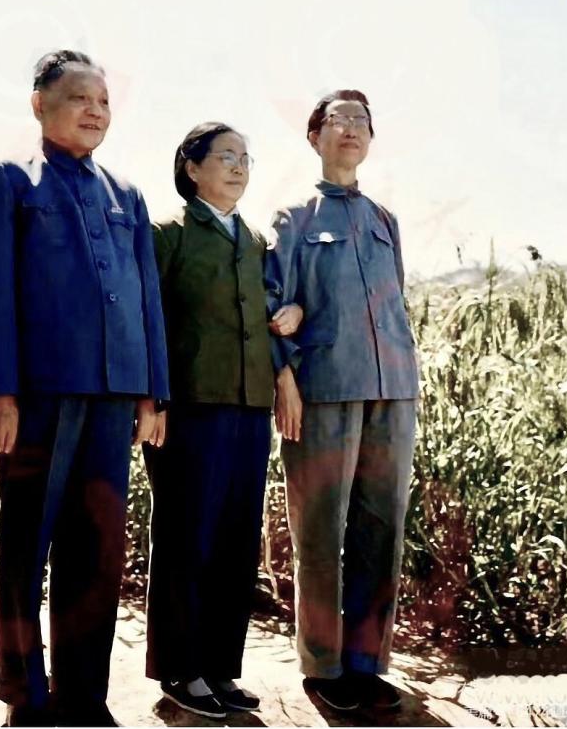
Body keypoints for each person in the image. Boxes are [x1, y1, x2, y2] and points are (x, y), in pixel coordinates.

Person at [0, 50, 169, 727]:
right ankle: (26, 695)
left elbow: (146, 299)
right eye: (79, 97)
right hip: (37, 397)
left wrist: (151, 393)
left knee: (97, 551)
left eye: (103, 100)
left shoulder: (126, 195)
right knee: (27, 545)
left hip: (112, 397)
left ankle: (84, 697)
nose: (95, 110)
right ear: (39, 104)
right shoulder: (7, 181)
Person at [266, 90, 419, 713]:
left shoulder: (385, 220)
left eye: (362, 121)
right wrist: (286, 381)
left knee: (382, 530)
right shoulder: (292, 219)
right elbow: (275, 306)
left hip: (393, 393)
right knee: (321, 532)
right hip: (324, 392)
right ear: (315, 137)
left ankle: (366, 661)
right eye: (339, 120)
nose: (352, 130)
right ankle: (324, 668)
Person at [143, 122, 302, 719]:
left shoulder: (255, 239)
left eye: (245, 157)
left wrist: (283, 376)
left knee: (236, 540)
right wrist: (151, 398)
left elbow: (267, 317)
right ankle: (179, 673)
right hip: (188, 409)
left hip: (248, 407)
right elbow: (148, 320)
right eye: (225, 156)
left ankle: (218, 669)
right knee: (187, 538)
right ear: (191, 167)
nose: (239, 167)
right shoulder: (168, 234)